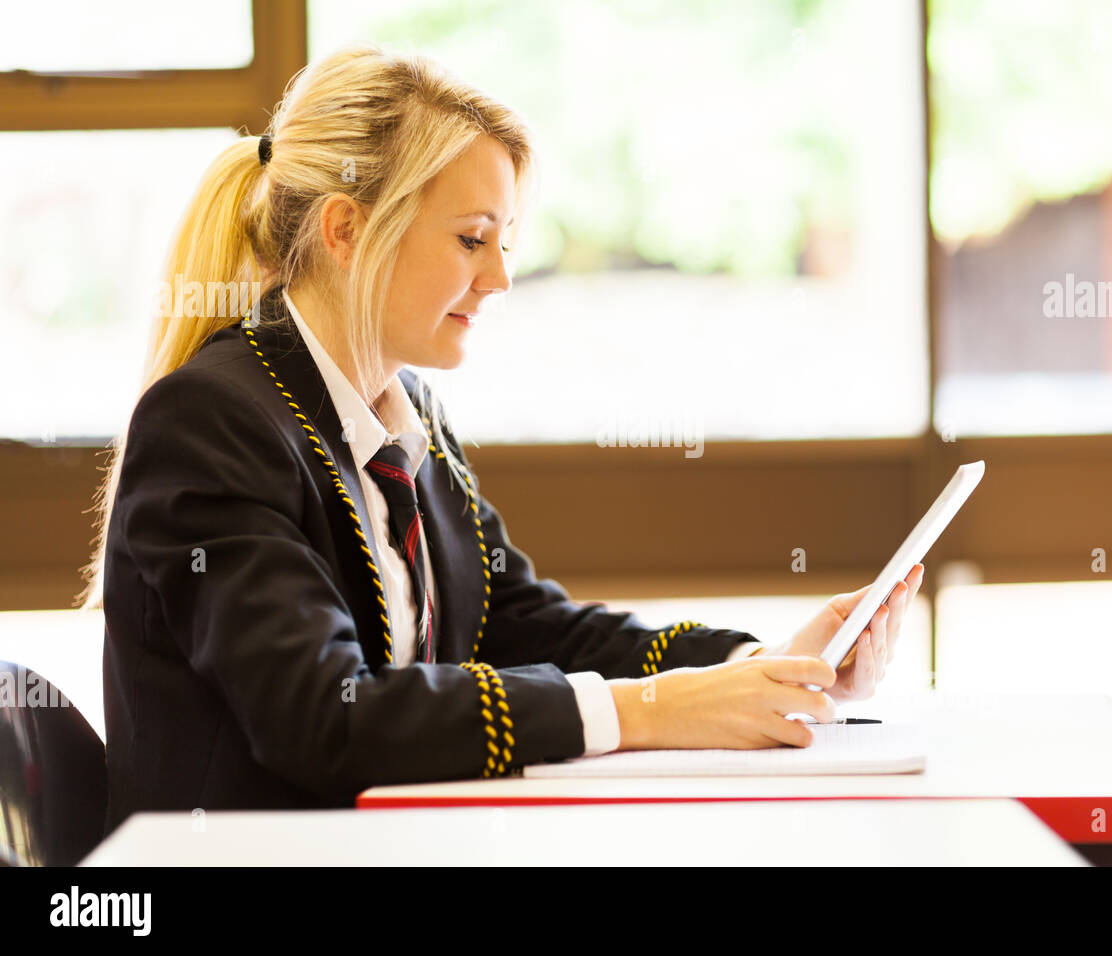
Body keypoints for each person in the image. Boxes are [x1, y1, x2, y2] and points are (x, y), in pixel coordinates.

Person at [78, 46, 924, 831]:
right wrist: (650, 712)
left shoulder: (406, 412)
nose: (502, 276)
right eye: (471, 239)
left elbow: (521, 625)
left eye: (506, 243)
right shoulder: (213, 422)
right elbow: (324, 714)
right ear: (344, 231)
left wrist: (759, 666)